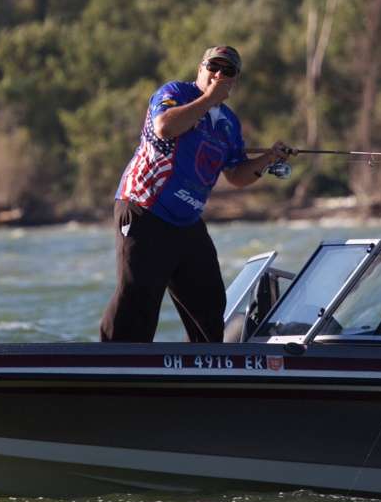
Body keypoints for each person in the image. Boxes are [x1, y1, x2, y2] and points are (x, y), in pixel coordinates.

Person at [99, 46, 296, 343]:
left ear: (235, 80)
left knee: (210, 301)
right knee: (138, 296)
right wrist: (208, 100)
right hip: (144, 208)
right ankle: (114, 365)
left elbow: (236, 175)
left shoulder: (229, 124)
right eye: (213, 66)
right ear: (200, 68)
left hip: (187, 220)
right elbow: (164, 127)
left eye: (227, 71)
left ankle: (207, 368)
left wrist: (268, 158)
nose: (218, 74)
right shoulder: (176, 93)